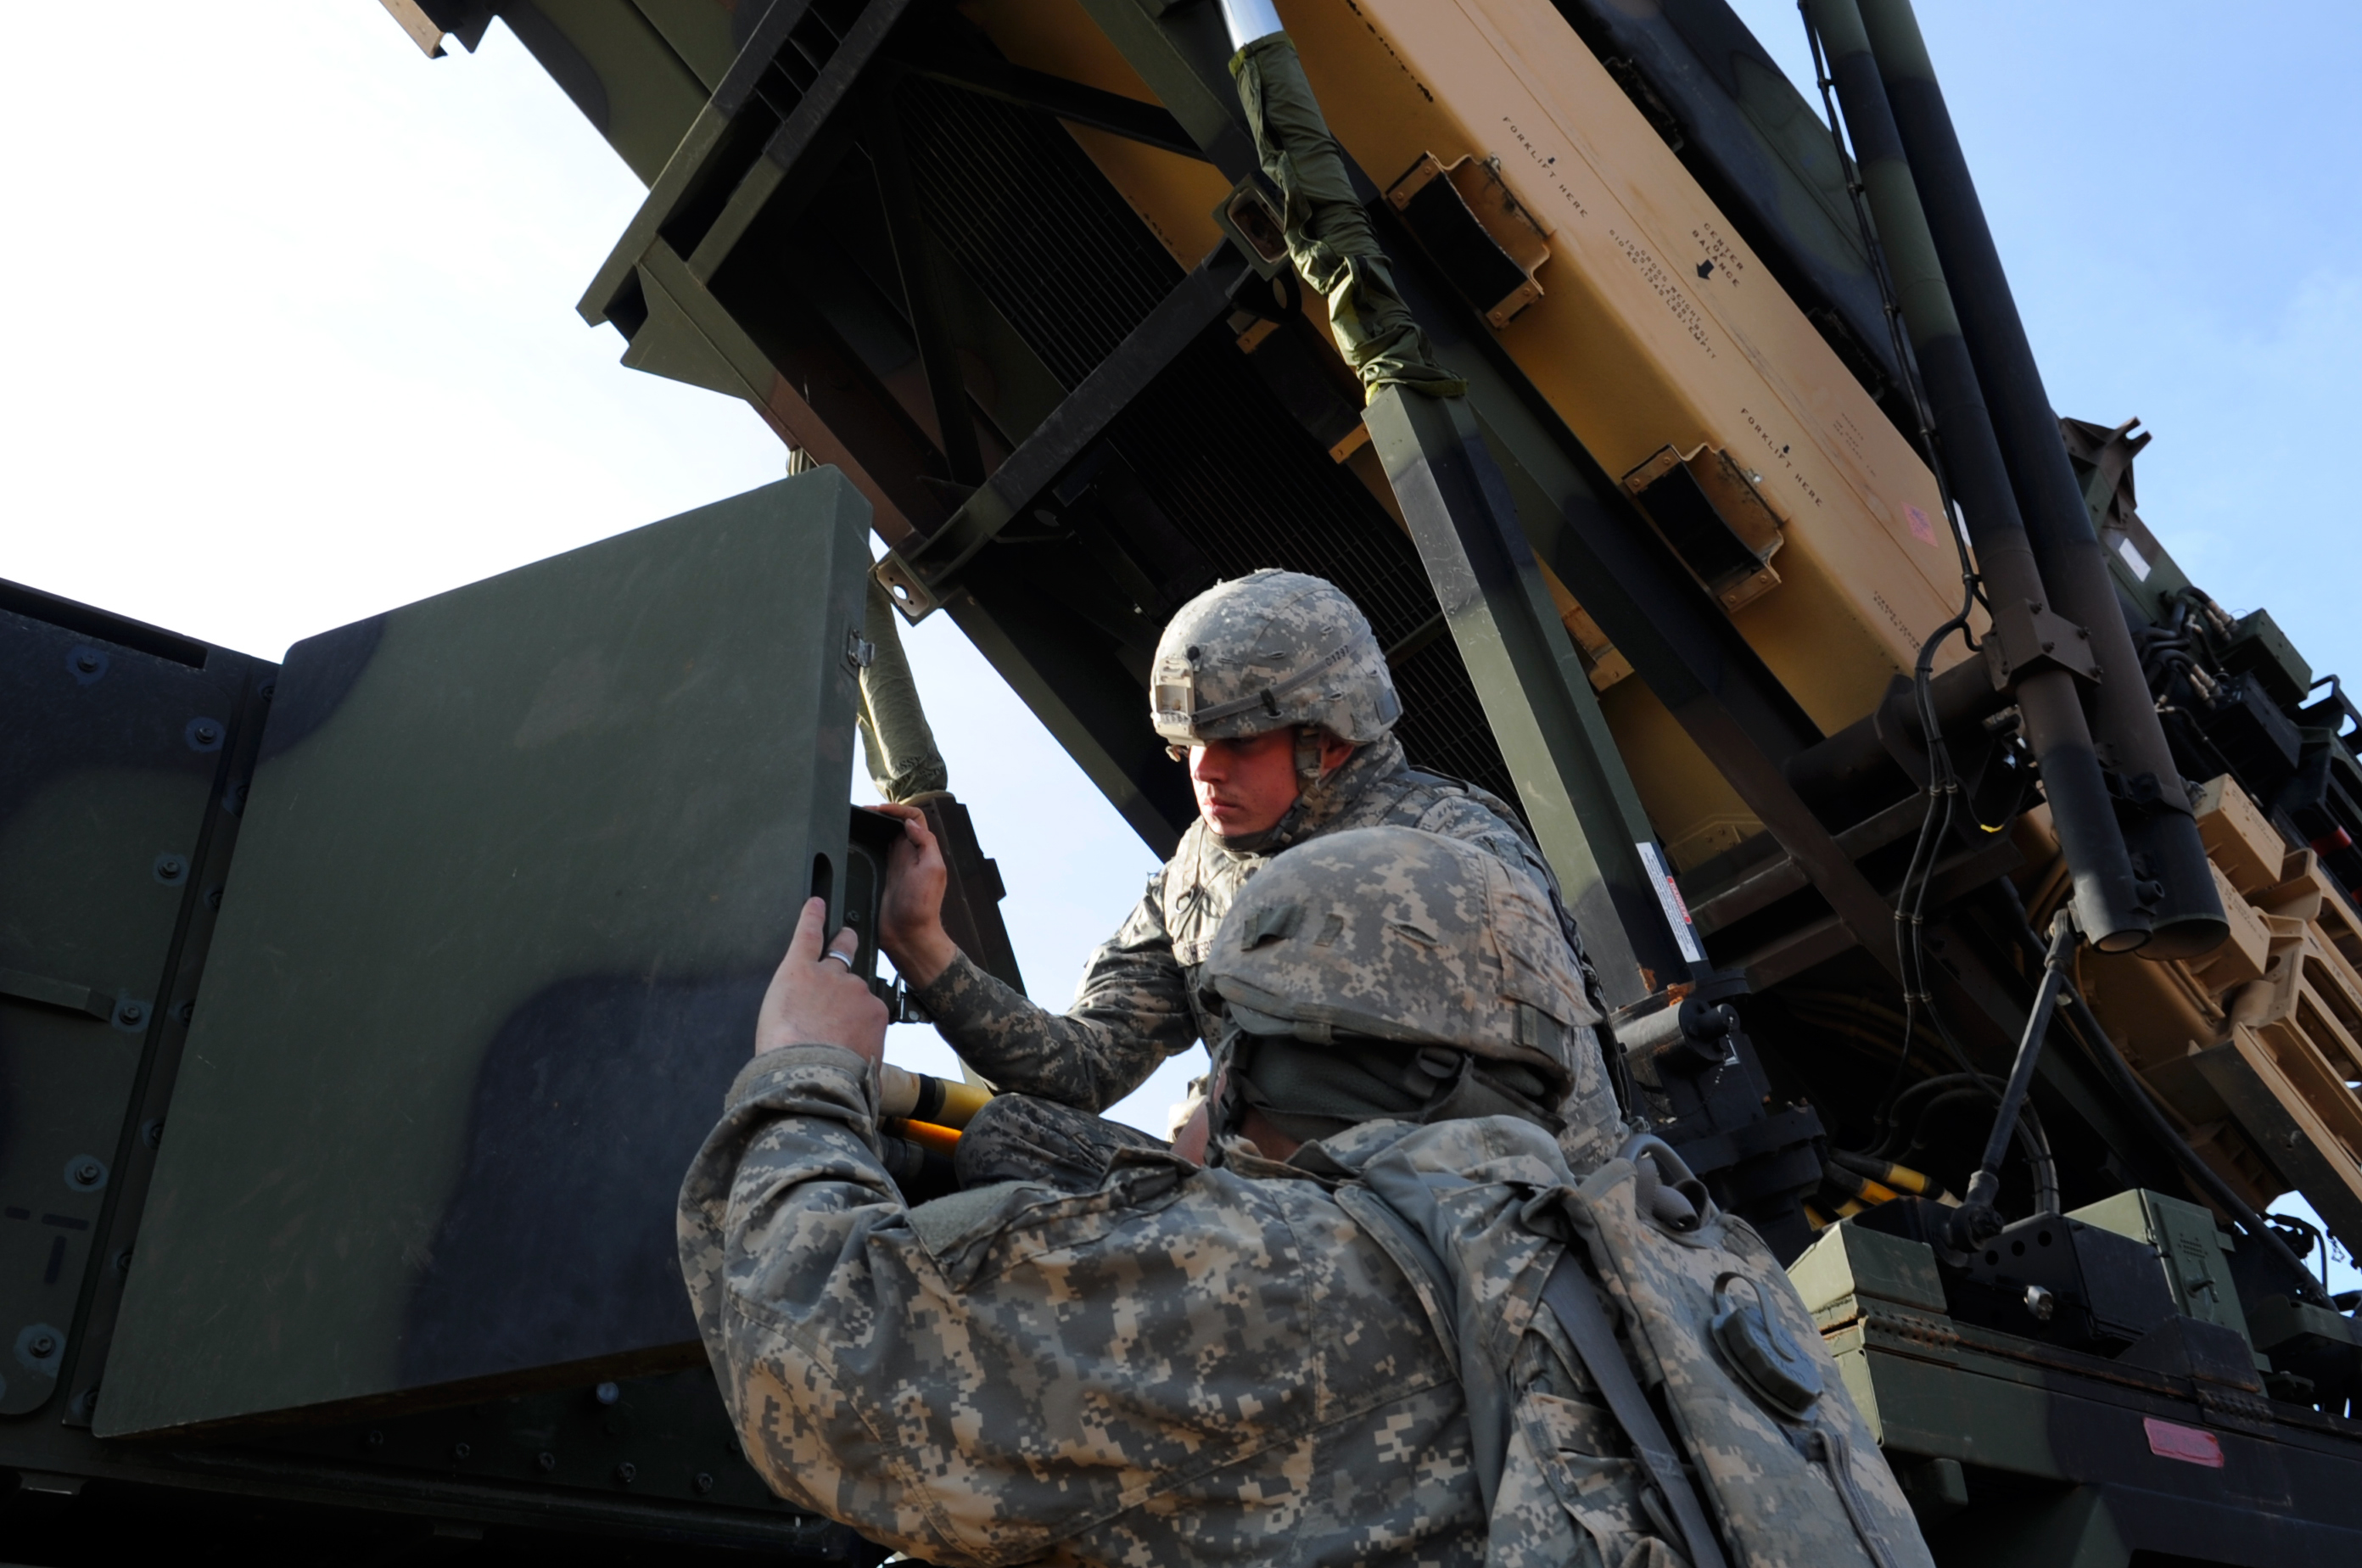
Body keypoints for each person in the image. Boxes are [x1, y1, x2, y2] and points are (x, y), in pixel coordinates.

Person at [677, 827, 1931, 1568]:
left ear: (1273, 1060)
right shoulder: (1688, 1283)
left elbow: (818, 1367)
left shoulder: (1289, 1274)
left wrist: (801, 1074)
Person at [871, 568, 1609, 1140]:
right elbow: (1081, 1066)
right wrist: (922, 944)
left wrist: (1230, 1109)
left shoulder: (1455, 845)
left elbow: (1545, 1092)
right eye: (1189, 746)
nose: (1205, 771)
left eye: (1240, 743)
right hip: (1298, 1211)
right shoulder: (1194, 878)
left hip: (1481, 1219)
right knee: (1007, 1147)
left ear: (1332, 735)